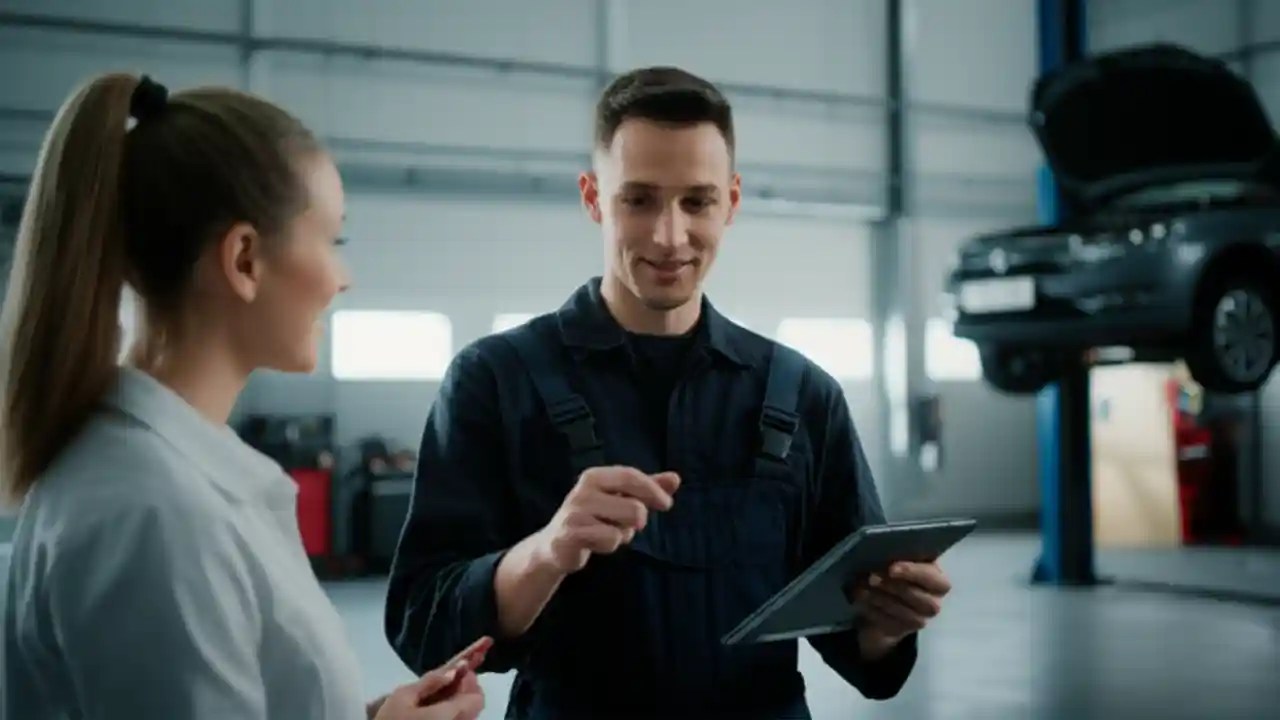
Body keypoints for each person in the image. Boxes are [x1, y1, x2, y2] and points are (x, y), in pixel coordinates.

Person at [384, 66, 954, 719]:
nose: (669, 236)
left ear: (731, 202)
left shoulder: (802, 397)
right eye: (639, 200)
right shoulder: (495, 380)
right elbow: (424, 625)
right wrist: (546, 552)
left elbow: (863, 649)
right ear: (594, 198)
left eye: (697, 202)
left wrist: (887, 622)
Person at [0, 73, 490, 720]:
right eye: (332, 241)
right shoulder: (157, 514)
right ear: (244, 260)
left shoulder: (164, 476)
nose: (342, 278)